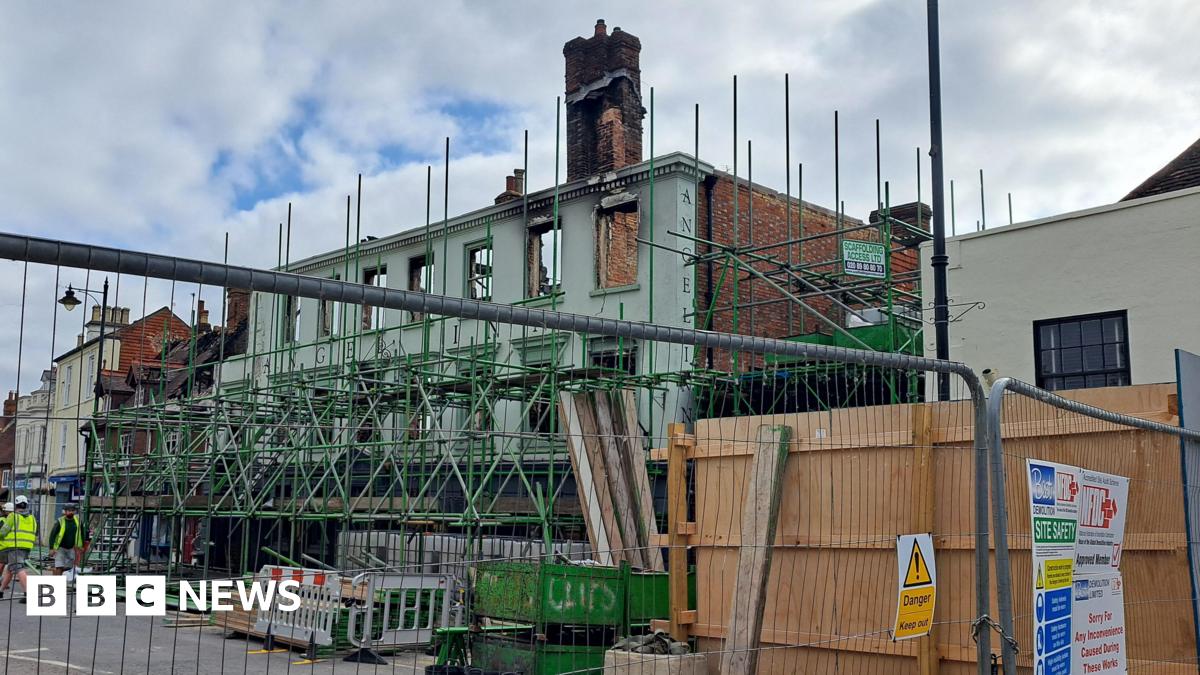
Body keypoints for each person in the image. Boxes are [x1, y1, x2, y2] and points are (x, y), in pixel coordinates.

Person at [0, 496, 38, 600]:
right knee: (10, 569)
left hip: (14, 546)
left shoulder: (13, 516)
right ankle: (1, 591)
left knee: (18, 568)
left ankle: (28, 594)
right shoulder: (32, 518)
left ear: (16, 505)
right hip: (27, 547)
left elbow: (3, 531)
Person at [48, 502, 88, 576]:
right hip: (60, 548)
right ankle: (58, 582)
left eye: (72, 510)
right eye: (69, 511)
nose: (71, 512)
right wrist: (51, 548)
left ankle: (63, 579)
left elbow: (82, 533)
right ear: (65, 511)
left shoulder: (78, 521)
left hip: (72, 548)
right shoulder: (60, 521)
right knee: (59, 566)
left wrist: (82, 546)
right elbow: (52, 535)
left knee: (69, 567)